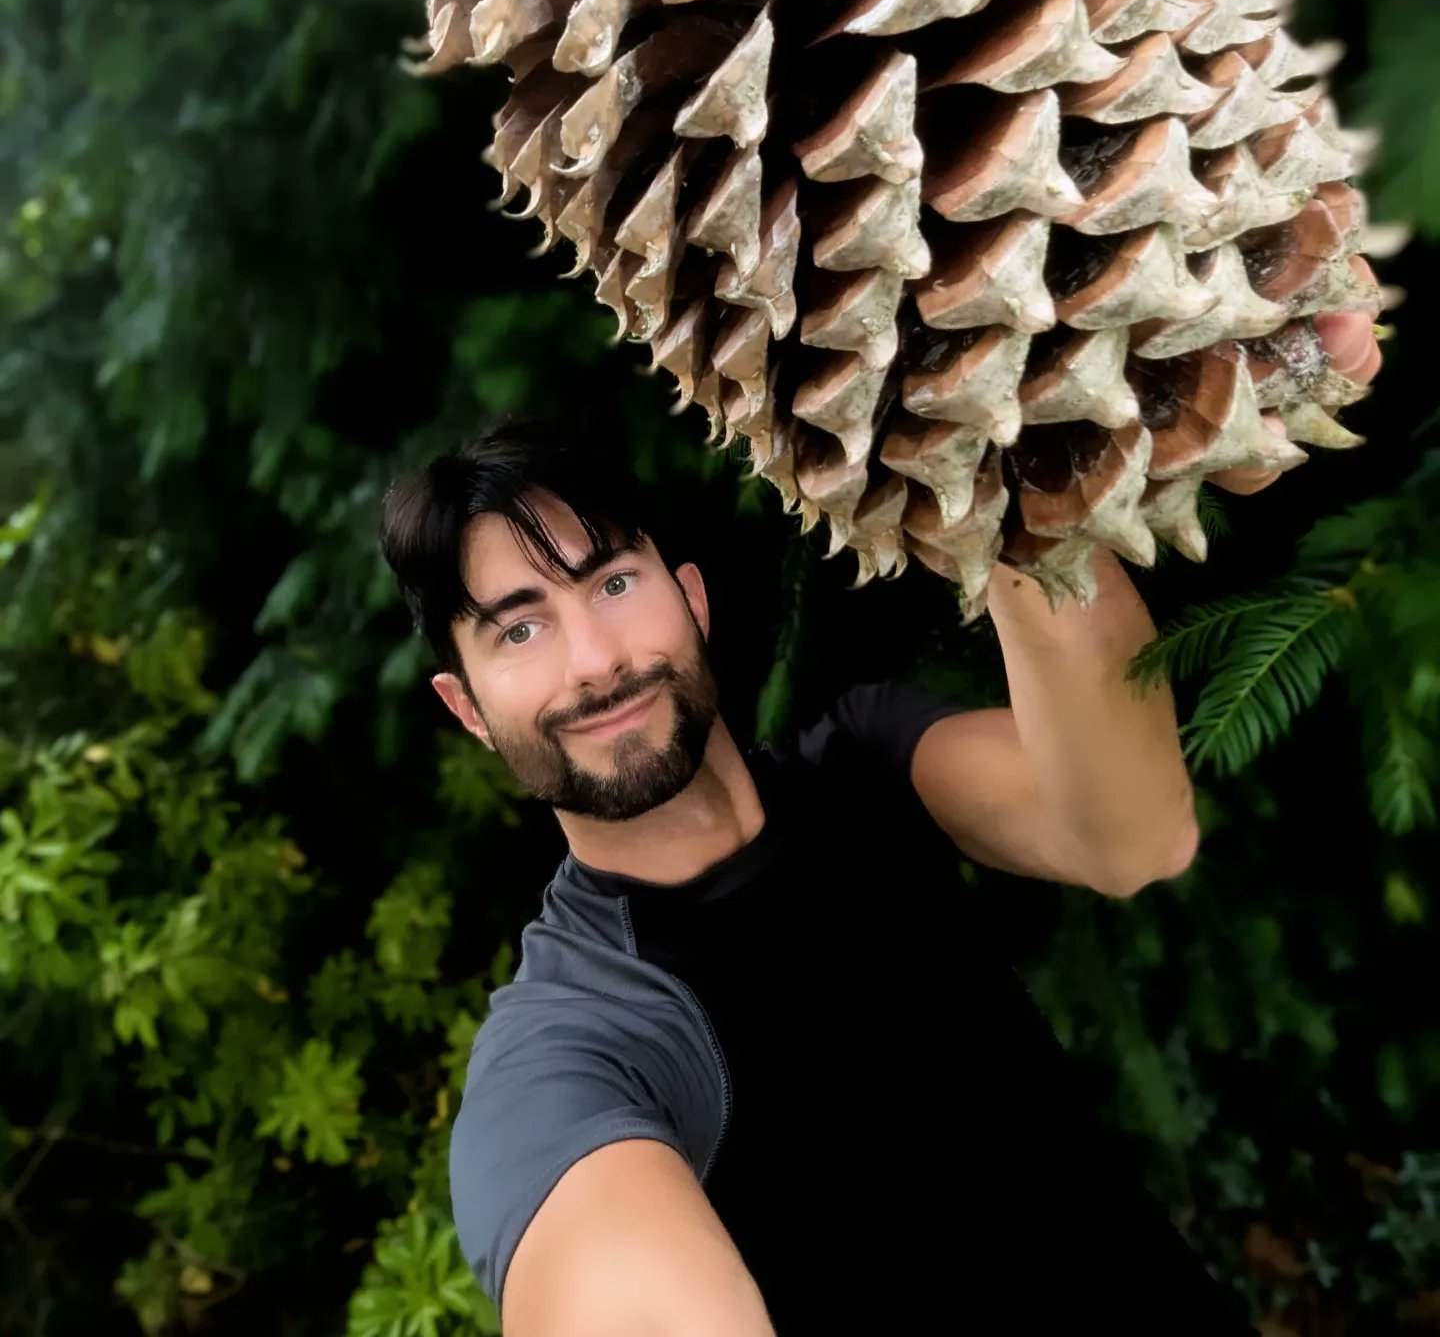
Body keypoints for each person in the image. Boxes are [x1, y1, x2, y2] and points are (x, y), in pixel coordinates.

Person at [378, 308, 1382, 1337]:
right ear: (470, 711)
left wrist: (995, 470)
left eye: (614, 582)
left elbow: (1133, 834)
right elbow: (610, 1272)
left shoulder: (865, 764)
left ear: (692, 602)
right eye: (521, 628)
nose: (593, 658)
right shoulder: (580, 1032)